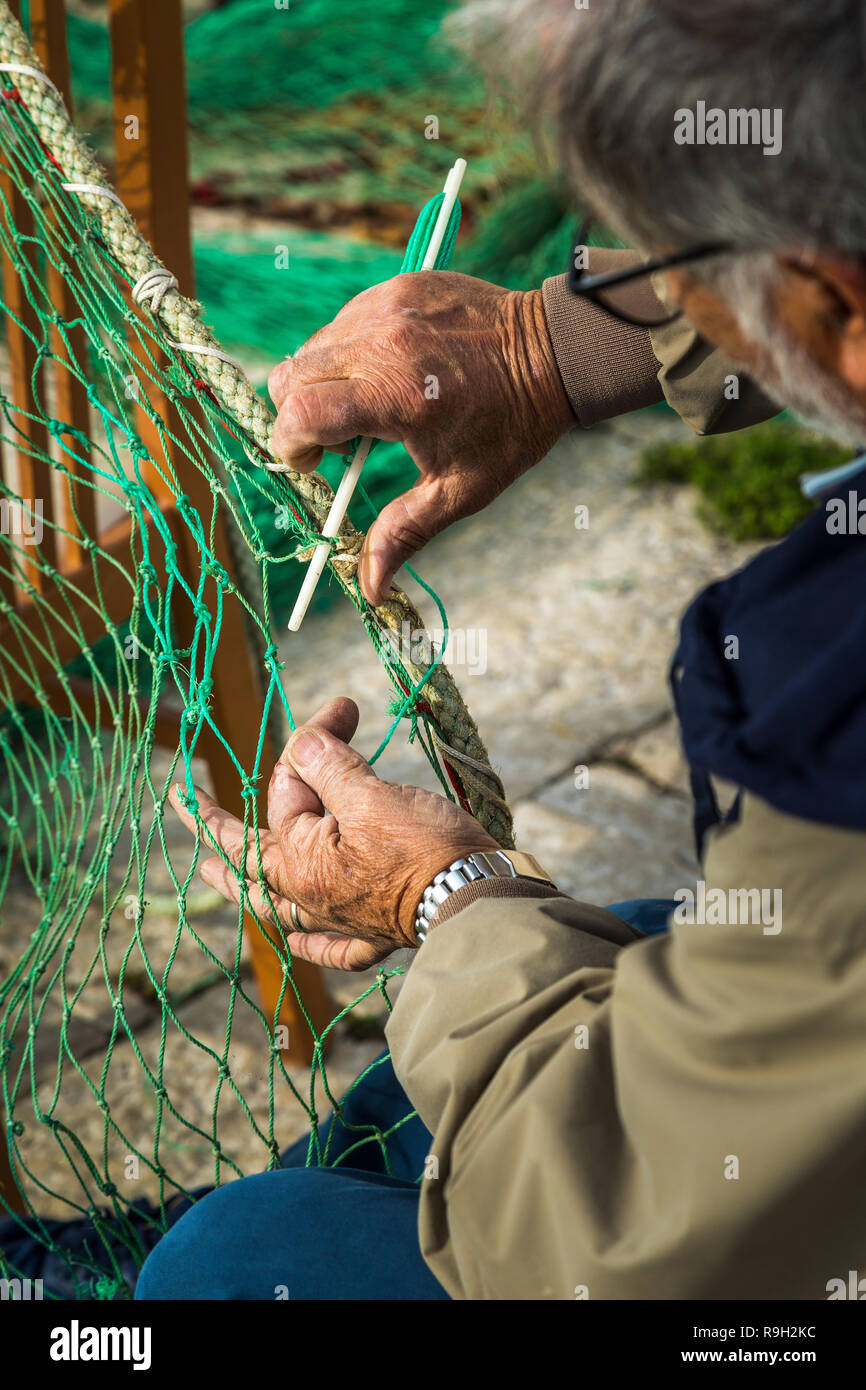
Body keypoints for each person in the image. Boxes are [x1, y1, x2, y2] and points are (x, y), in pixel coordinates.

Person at [136, 0, 866, 1299]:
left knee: (233, 1264)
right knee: (617, 952)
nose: (632, 272)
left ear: (826, 297)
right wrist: (545, 349)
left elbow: (622, 1233)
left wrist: (440, 900)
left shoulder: (834, 697)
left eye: (663, 251)